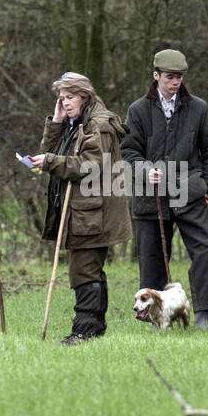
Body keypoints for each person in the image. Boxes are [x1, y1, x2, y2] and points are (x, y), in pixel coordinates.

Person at [121, 48, 208, 329]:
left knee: (206, 250)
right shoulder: (137, 110)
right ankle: (155, 320)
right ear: (156, 76)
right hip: (150, 197)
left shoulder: (199, 108)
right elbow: (128, 153)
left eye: (179, 77)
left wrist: (204, 185)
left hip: (190, 193)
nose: (175, 82)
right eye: (170, 77)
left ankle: (204, 317)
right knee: (152, 257)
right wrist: (145, 171)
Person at [30, 72, 132, 345]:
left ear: (85, 96)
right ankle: (93, 329)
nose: (64, 103)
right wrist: (57, 122)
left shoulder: (98, 124)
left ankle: (84, 331)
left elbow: (90, 166)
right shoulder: (75, 123)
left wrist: (51, 161)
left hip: (95, 211)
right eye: (61, 99)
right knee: (87, 269)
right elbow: (49, 151)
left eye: (69, 98)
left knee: (84, 270)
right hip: (82, 209)